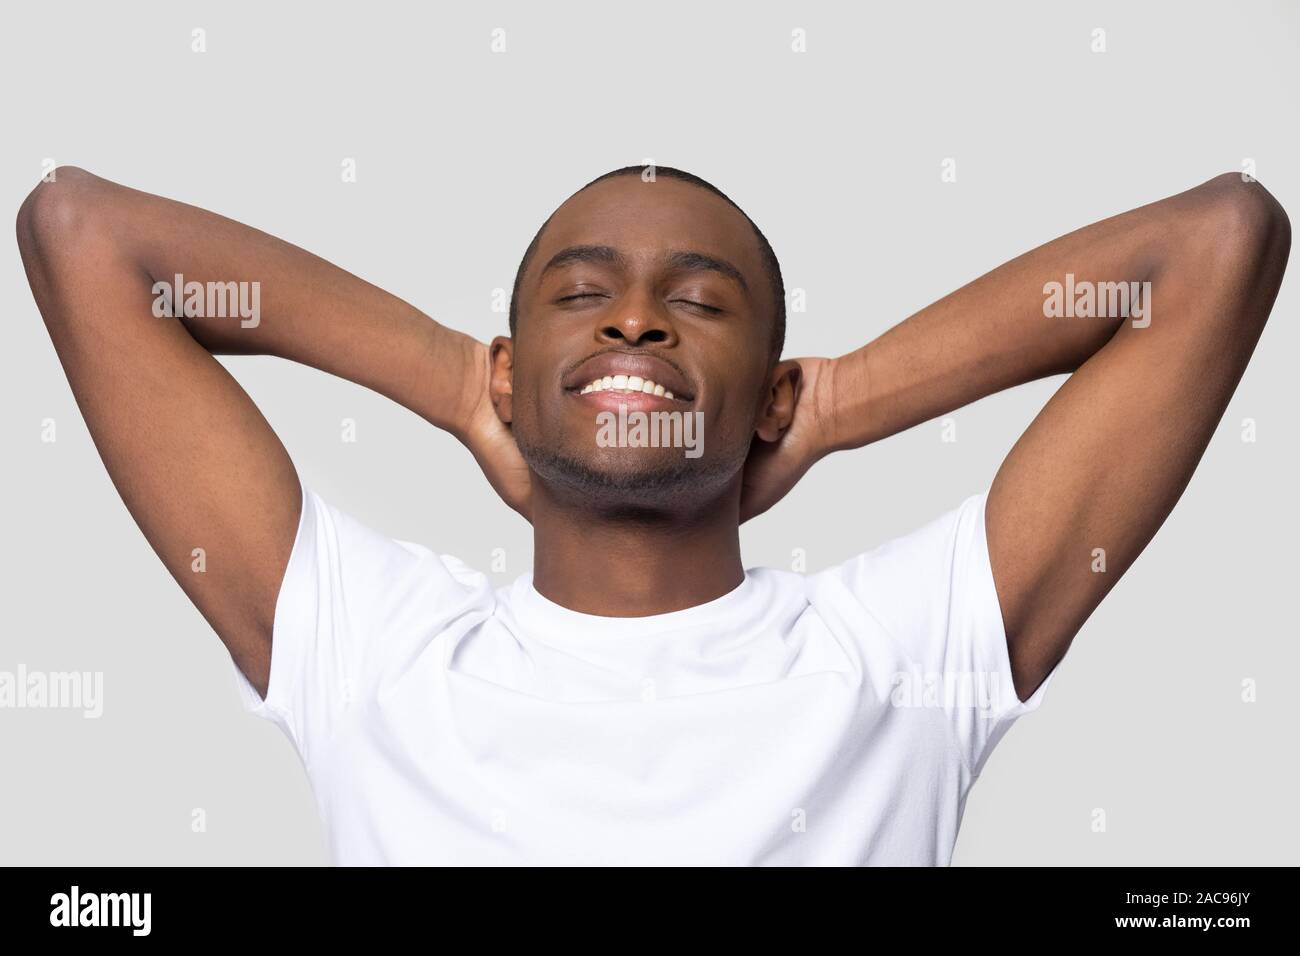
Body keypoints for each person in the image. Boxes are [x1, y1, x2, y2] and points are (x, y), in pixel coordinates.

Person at [16, 164, 1289, 865]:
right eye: (582, 296)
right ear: (518, 367)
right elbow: (84, 235)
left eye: (702, 300)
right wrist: (461, 382)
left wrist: (836, 401)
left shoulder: (900, 649)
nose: (635, 318)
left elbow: (1216, 244)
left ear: (768, 386)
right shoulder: (374, 645)